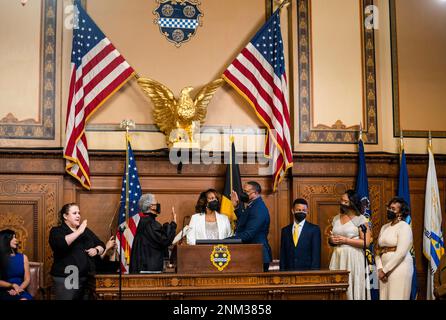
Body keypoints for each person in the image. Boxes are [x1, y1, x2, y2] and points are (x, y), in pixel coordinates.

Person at [49, 203, 105, 300]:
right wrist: (78, 232)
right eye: (74, 213)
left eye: (79, 213)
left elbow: (101, 244)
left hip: (86, 278)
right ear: (65, 216)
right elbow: (62, 244)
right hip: (68, 276)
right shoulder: (57, 231)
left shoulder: (85, 230)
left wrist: (96, 250)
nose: (78, 215)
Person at [328, 190, 371, 300]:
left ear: (353, 203)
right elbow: (333, 236)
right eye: (341, 200)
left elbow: (366, 242)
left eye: (346, 201)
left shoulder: (360, 219)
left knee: (352, 288)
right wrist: (332, 240)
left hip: (353, 257)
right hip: (337, 256)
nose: (342, 203)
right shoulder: (336, 218)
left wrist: (346, 241)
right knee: (337, 289)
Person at [375, 197, 413, 300]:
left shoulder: (404, 227)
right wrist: (379, 269)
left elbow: (401, 253)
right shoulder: (384, 227)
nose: (389, 211)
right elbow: (377, 250)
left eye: (393, 209)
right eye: (389, 208)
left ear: (400, 213)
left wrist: (385, 270)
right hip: (382, 271)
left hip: (400, 268)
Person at [230, 181, 272, 272]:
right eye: (243, 191)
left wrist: (228, 240)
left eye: (246, 192)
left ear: (256, 193)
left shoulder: (259, 208)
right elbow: (245, 222)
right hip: (252, 254)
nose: (243, 194)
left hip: (258, 255)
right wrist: (236, 207)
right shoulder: (253, 205)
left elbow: (249, 234)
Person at [129, 193, 177, 273]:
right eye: (156, 203)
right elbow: (164, 240)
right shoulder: (149, 223)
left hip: (145, 268)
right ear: (151, 206)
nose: (158, 205)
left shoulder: (145, 221)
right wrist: (173, 224)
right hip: (147, 270)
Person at [280, 198, 321, 271]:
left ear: (307, 211)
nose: (301, 212)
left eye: (304, 210)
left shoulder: (314, 229)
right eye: (298, 210)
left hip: (307, 272)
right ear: (293, 211)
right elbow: (283, 255)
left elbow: (316, 255)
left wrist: (314, 274)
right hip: (289, 272)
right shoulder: (285, 230)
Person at [0, 229, 32, 300]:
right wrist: (12, 285)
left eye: (15, 237)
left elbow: (27, 279)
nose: (16, 240)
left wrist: (18, 289)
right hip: (4, 290)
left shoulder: (23, 257)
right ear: (5, 240)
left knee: (24, 299)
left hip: (20, 289)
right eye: (13, 238)